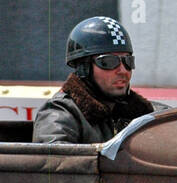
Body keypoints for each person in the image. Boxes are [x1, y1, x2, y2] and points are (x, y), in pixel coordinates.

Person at [33, 15, 154, 143]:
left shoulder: (147, 114)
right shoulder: (59, 114)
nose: (123, 70)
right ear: (84, 68)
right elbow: (55, 160)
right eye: (108, 62)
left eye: (128, 61)